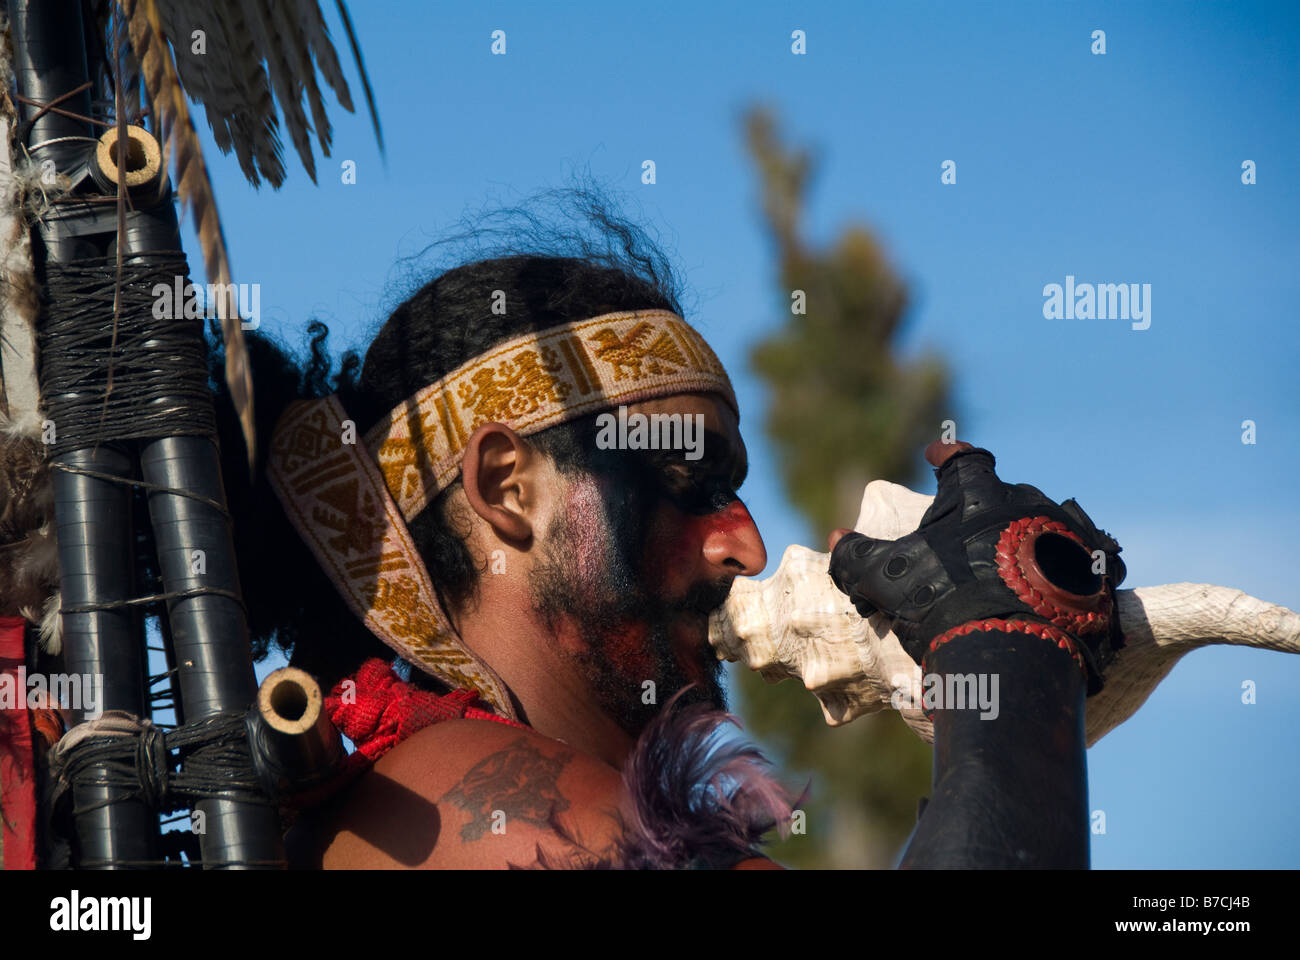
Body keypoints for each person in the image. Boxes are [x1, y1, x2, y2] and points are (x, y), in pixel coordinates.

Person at [211, 192, 1124, 869]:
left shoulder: (417, 803)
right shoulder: (483, 815)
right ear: (506, 489)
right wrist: (1008, 654)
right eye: (687, 484)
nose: (747, 546)